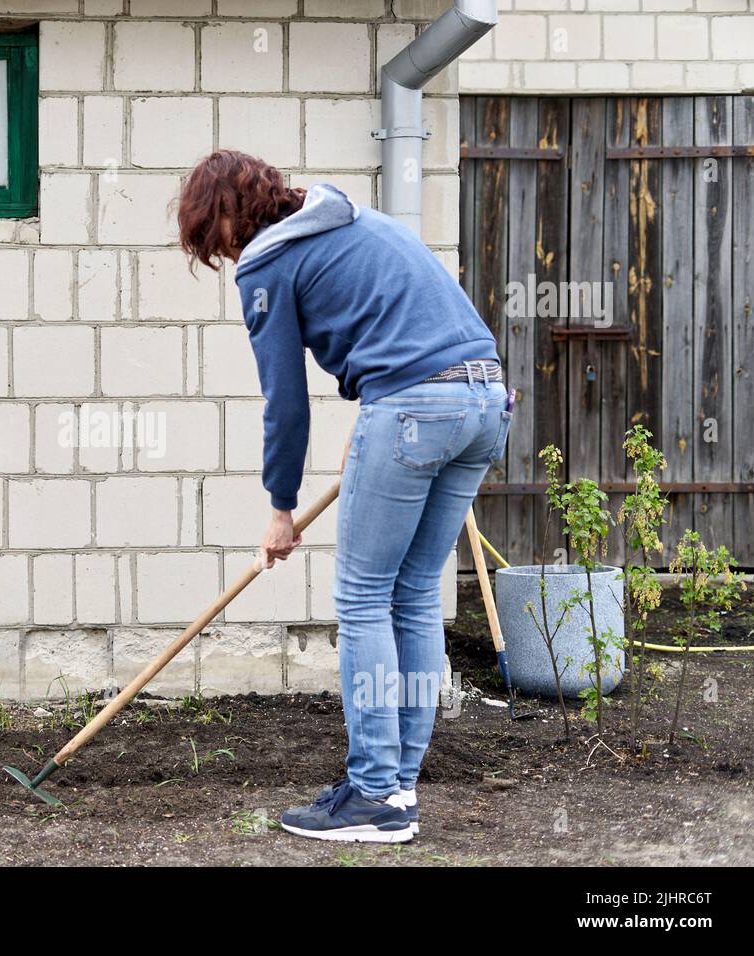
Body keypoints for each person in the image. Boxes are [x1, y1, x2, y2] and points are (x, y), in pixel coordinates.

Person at [176, 150, 511, 844]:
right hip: (485, 401)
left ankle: (372, 793)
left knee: (363, 597)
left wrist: (280, 507)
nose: (225, 254)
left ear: (230, 217)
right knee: (414, 594)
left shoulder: (269, 261)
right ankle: (397, 789)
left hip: (416, 408)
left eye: (216, 237)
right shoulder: (355, 220)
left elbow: (285, 402)